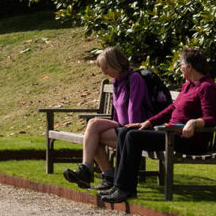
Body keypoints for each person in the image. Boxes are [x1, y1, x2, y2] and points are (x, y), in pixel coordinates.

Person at [97, 48, 216, 203]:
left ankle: (125, 189)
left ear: (189, 67)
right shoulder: (188, 86)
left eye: (181, 65)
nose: (180, 68)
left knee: (133, 137)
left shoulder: (207, 87)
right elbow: (171, 109)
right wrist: (149, 122)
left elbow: (211, 118)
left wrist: (193, 122)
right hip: (172, 134)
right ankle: (119, 186)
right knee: (125, 132)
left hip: (189, 140)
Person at [62, 47, 153, 190]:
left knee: (92, 137)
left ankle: (104, 175)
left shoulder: (134, 78)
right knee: (93, 125)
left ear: (116, 63)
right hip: (122, 126)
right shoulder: (116, 81)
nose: (104, 72)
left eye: (106, 68)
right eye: (102, 69)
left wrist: (130, 131)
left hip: (136, 129)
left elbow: (133, 107)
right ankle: (90, 170)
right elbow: (117, 110)